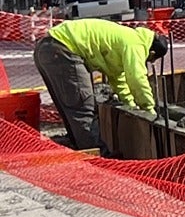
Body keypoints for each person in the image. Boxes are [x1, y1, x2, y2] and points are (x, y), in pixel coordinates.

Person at [34, 18, 169, 154]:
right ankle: (99, 158)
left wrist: (130, 103)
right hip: (63, 49)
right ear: (152, 53)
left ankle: (78, 147)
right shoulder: (136, 44)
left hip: (47, 47)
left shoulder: (127, 37)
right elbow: (137, 78)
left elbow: (118, 78)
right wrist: (148, 108)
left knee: (70, 107)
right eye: (150, 60)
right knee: (84, 107)